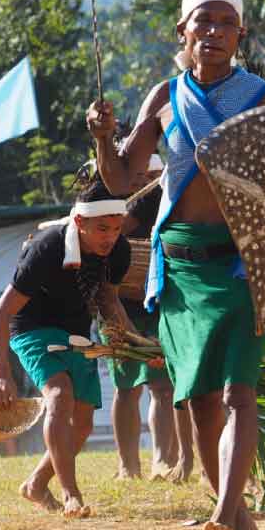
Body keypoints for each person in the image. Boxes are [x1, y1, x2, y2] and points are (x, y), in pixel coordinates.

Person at [87, 0, 265, 530]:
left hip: (241, 260)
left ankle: (220, 514)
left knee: (240, 390)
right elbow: (119, 181)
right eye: (203, 22)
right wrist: (103, 138)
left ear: (240, 34)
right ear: (184, 31)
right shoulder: (163, 98)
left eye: (225, 23)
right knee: (196, 398)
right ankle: (238, 518)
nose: (213, 32)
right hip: (181, 265)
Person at [0, 180, 133, 518]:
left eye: (115, 228)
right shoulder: (47, 248)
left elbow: (109, 300)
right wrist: (2, 374)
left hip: (77, 333)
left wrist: (133, 343)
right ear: (80, 223)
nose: (109, 237)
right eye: (101, 229)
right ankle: (72, 495)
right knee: (59, 395)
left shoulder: (119, 250)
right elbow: (1, 313)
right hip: (31, 328)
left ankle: (36, 484)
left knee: (82, 423)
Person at [109, 154, 195, 483]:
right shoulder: (108, 206)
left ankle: (163, 459)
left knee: (164, 385)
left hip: (161, 300)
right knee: (127, 387)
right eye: (134, 174)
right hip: (118, 304)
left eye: (148, 174)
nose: (139, 181)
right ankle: (127, 465)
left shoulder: (172, 199)